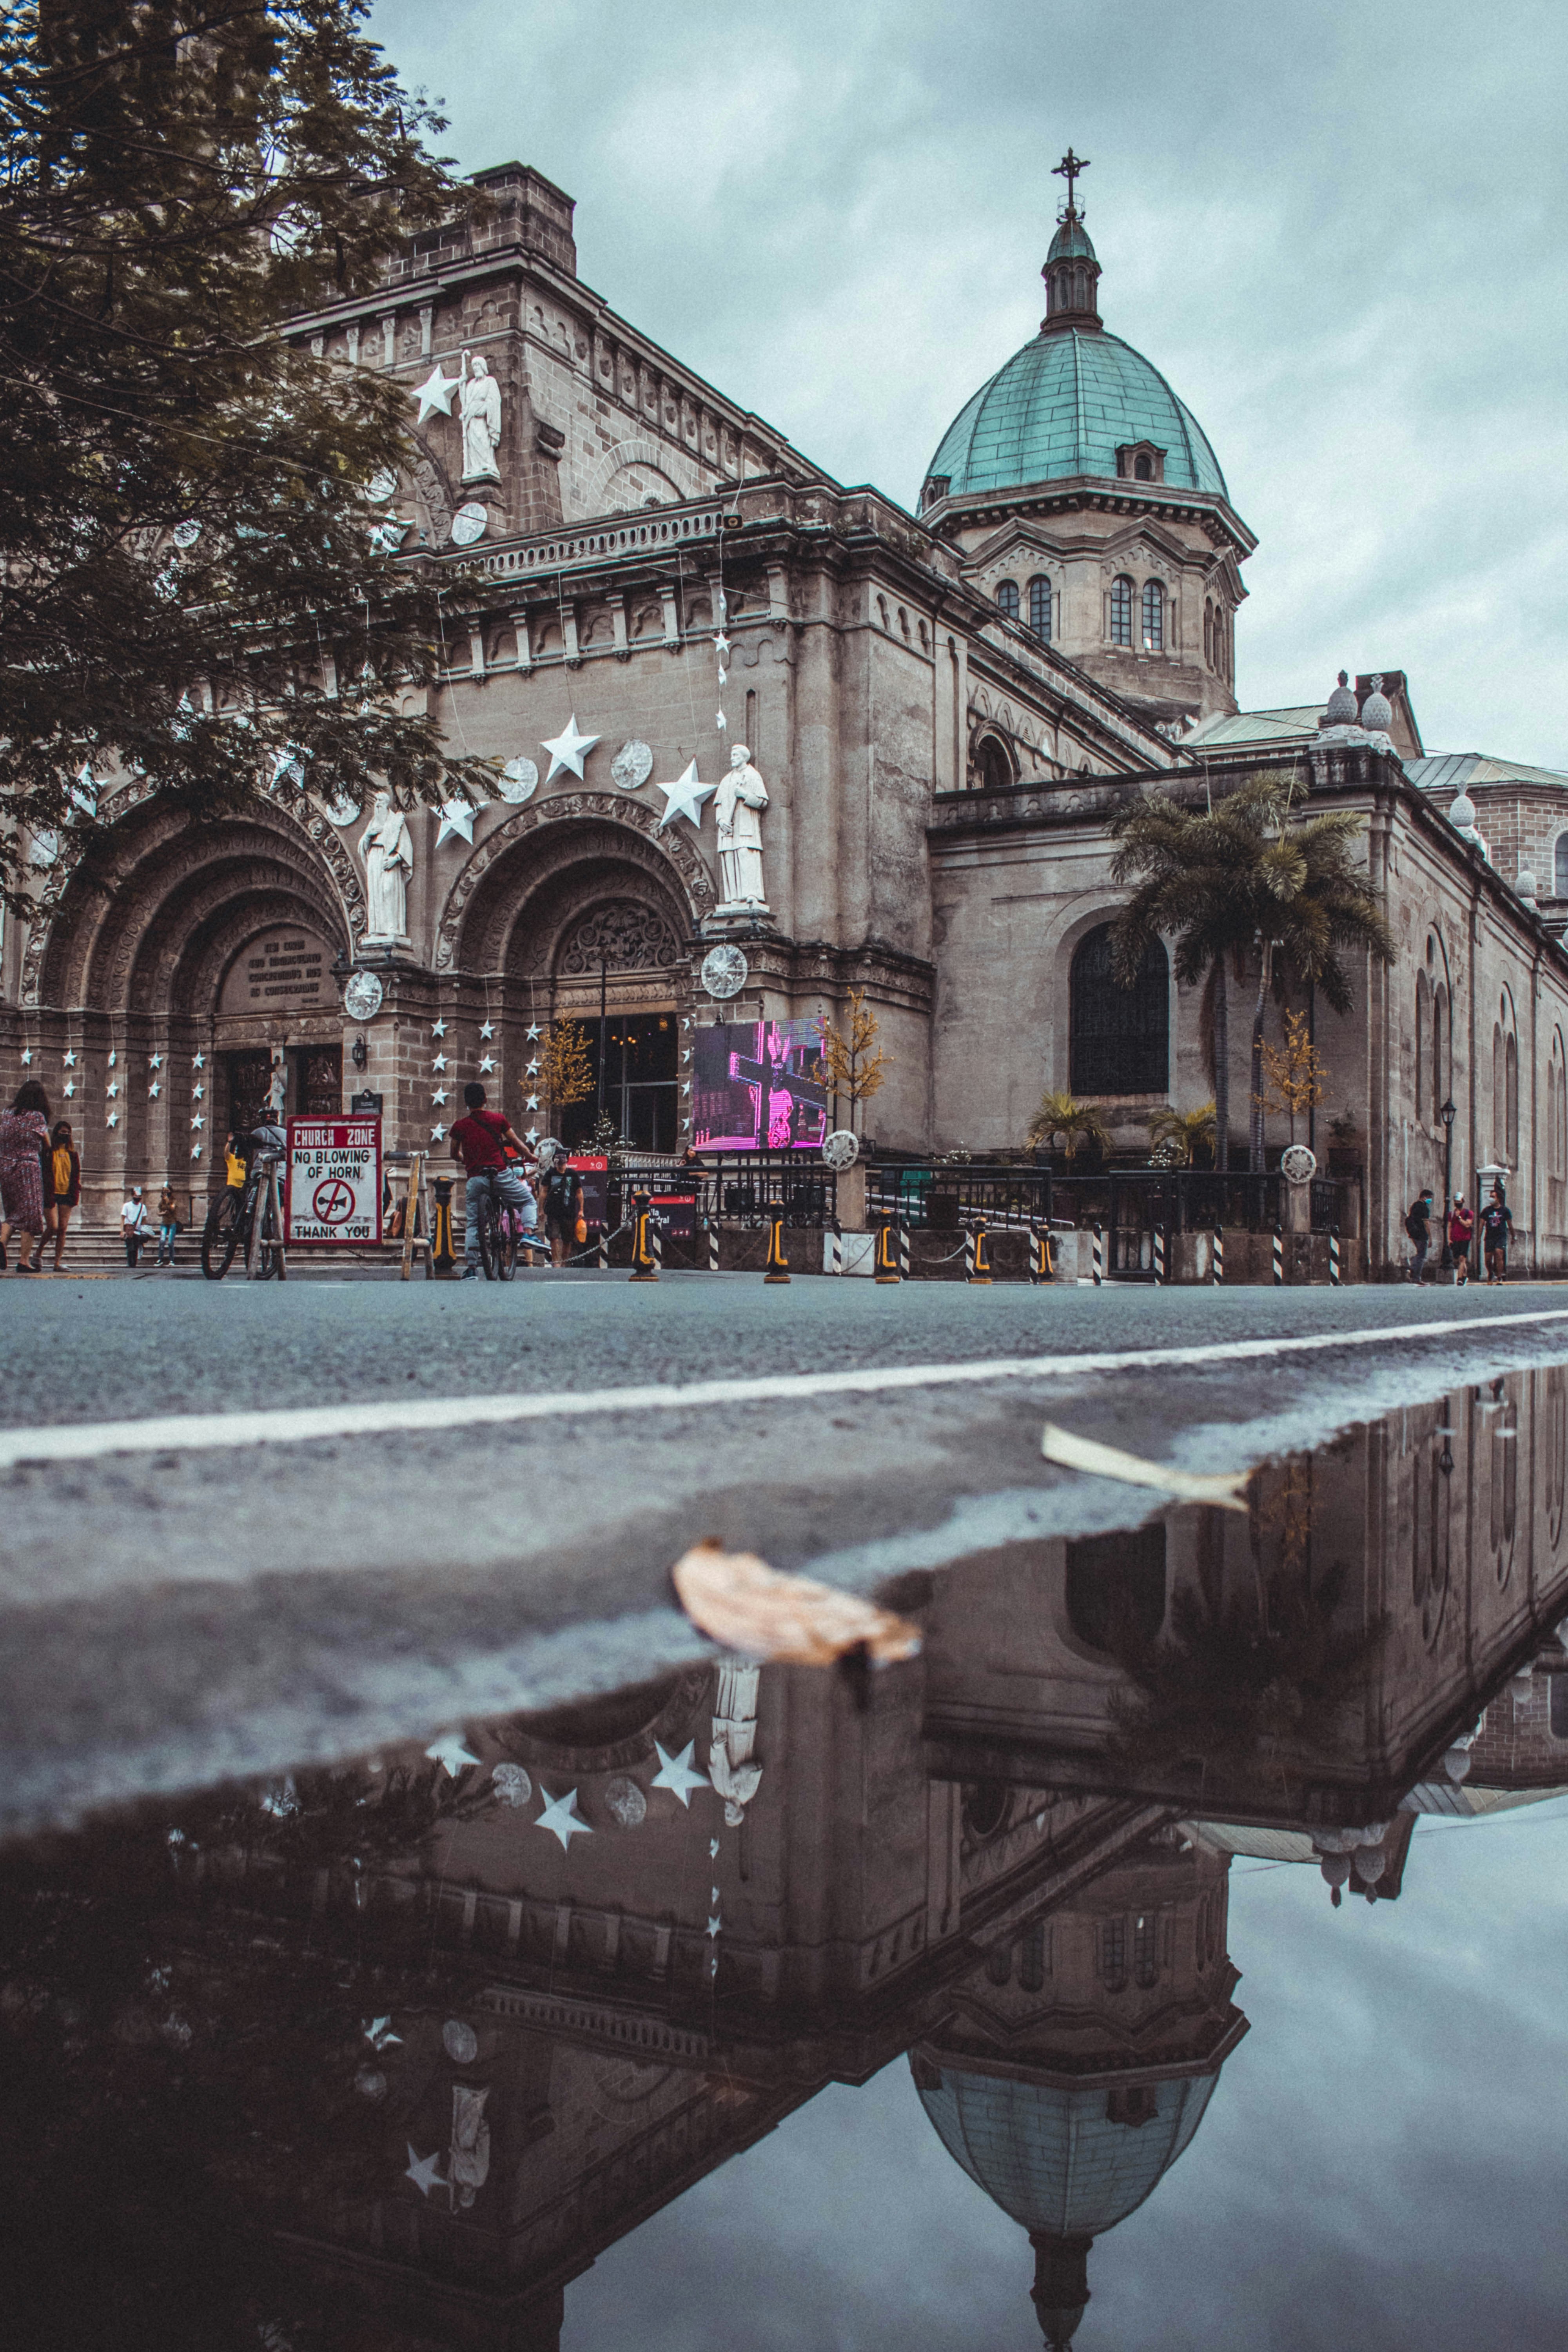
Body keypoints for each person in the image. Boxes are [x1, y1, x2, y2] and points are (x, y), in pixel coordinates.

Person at [448, 1082, 533, 1279]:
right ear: (485, 1099)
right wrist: (530, 1156)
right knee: (527, 1200)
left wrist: (465, 1160)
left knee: (473, 1223)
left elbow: (453, 1153)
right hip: (500, 1173)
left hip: (476, 1177)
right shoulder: (498, 1120)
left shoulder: (460, 1126)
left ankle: (471, 1267)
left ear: (466, 1103)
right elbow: (516, 1143)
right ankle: (529, 1233)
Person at [0, 1078, 52, 1275]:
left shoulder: (7, 1114)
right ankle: (24, 1261)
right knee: (31, 1214)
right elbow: (46, 1143)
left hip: (5, 1168)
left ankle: (2, 1242)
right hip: (27, 1169)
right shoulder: (37, 1117)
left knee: (14, 1213)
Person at [539, 1152, 584, 1268]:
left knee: (567, 1239)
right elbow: (544, 1191)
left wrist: (581, 1210)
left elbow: (579, 1192)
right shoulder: (550, 1174)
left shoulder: (573, 1174)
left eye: (562, 1163)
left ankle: (564, 1261)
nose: (560, 1166)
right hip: (553, 1210)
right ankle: (556, 1262)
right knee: (553, 1237)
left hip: (568, 1210)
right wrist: (541, 1210)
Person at [47, 1120, 81, 1273]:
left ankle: (57, 1263)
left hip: (67, 1195)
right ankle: (38, 1253)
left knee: (62, 1230)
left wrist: (75, 1196)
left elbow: (75, 1177)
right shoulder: (48, 1152)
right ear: (56, 1133)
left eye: (68, 1133)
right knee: (52, 1227)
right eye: (63, 1132)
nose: (66, 1135)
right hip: (52, 1194)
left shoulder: (73, 1155)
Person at [1481, 1181, 1515, 1284]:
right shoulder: (1486, 1211)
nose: (1491, 1198)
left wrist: (1514, 1237)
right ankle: (1491, 1273)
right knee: (1488, 1259)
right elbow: (1481, 1224)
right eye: (1490, 1196)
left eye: (1493, 1197)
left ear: (1498, 1199)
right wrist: (1479, 1238)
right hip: (1490, 1237)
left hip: (1501, 1236)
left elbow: (1510, 1225)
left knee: (1498, 1253)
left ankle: (1499, 1276)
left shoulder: (1505, 1211)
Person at [1404, 1188, 1434, 1283]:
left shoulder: (1414, 1206)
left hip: (1413, 1233)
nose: (1431, 1200)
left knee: (1419, 1253)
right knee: (1422, 1255)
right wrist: (1430, 1237)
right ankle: (1414, 1274)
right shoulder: (1424, 1208)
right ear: (1425, 1197)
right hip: (1422, 1234)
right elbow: (1426, 1224)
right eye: (1430, 1198)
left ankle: (1412, 1270)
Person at [1448, 1191, 1474, 1283]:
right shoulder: (1451, 1214)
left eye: (1459, 1201)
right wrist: (1449, 1238)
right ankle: (1465, 1276)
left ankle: (1459, 1279)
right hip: (1455, 1238)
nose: (1457, 1204)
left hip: (1465, 1238)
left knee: (1462, 1258)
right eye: (1456, 1201)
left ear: (1463, 1201)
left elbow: (1467, 1225)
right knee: (1457, 1260)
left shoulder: (1469, 1213)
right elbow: (1450, 1226)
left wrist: (1459, 1217)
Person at [121, 1184, 149, 1267]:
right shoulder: (127, 1206)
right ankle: (131, 1264)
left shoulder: (143, 1207)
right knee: (130, 1248)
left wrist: (143, 1230)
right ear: (133, 1195)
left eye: (140, 1196)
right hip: (129, 1229)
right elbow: (123, 1218)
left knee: (136, 1247)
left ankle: (134, 1264)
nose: (138, 1198)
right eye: (137, 1196)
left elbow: (144, 1220)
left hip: (138, 1230)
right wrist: (122, 1231)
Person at [156, 1181, 181, 1267]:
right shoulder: (161, 1202)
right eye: (165, 1191)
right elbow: (159, 1213)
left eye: (168, 1191)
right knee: (162, 1241)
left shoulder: (174, 1200)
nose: (166, 1193)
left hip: (172, 1223)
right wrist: (163, 1213)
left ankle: (171, 1260)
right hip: (164, 1223)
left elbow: (173, 1209)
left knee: (170, 1242)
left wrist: (168, 1202)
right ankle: (160, 1259)